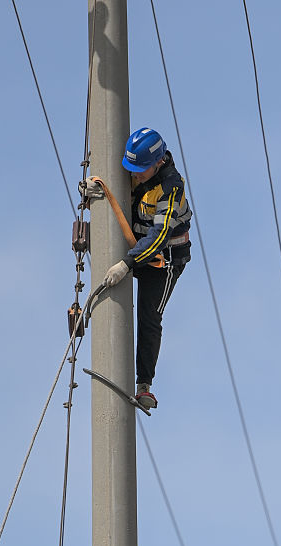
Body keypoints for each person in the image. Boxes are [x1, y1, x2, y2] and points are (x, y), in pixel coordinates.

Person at [102, 127, 192, 407]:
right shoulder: (138, 172)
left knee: (149, 318)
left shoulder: (171, 187)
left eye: (139, 170)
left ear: (158, 163)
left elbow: (159, 235)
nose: (134, 175)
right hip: (134, 247)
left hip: (164, 261)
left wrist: (127, 263)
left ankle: (144, 384)